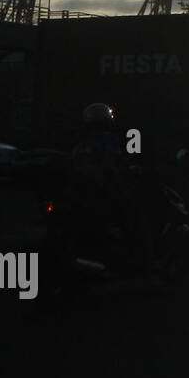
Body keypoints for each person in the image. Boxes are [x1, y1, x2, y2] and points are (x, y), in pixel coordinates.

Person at [70, 102, 154, 271]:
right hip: (103, 193)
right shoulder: (107, 141)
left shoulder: (82, 143)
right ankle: (146, 263)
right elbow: (113, 166)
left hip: (84, 193)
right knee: (136, 219)